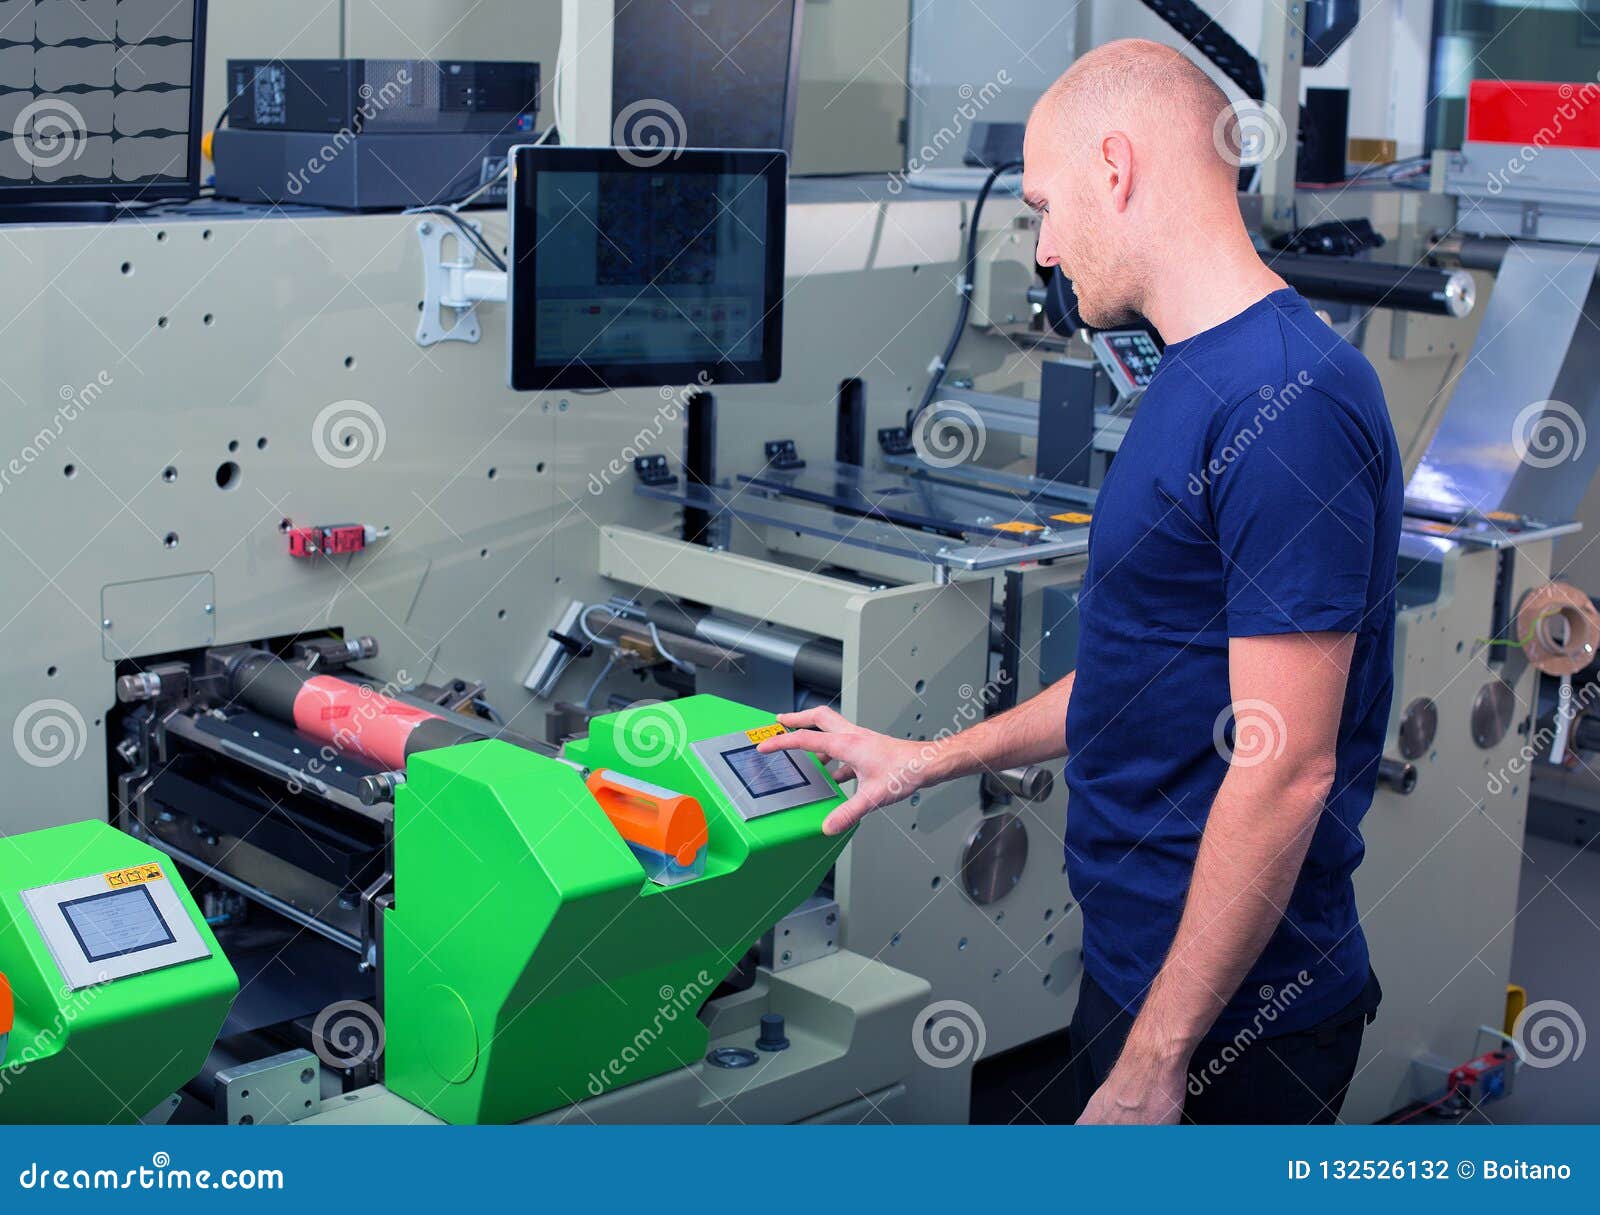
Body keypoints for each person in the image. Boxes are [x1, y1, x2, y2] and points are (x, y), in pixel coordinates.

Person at [757, 38, 1398, 1124]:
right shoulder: (1196, 376)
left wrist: (1157, 1059)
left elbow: (1284, 772)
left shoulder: (1287, 402)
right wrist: (925, 760)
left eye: (1047, 205)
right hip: (1146, 969)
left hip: (1238, 1026)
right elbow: (1138, 675)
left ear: (1117, 166)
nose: (1045, 248)